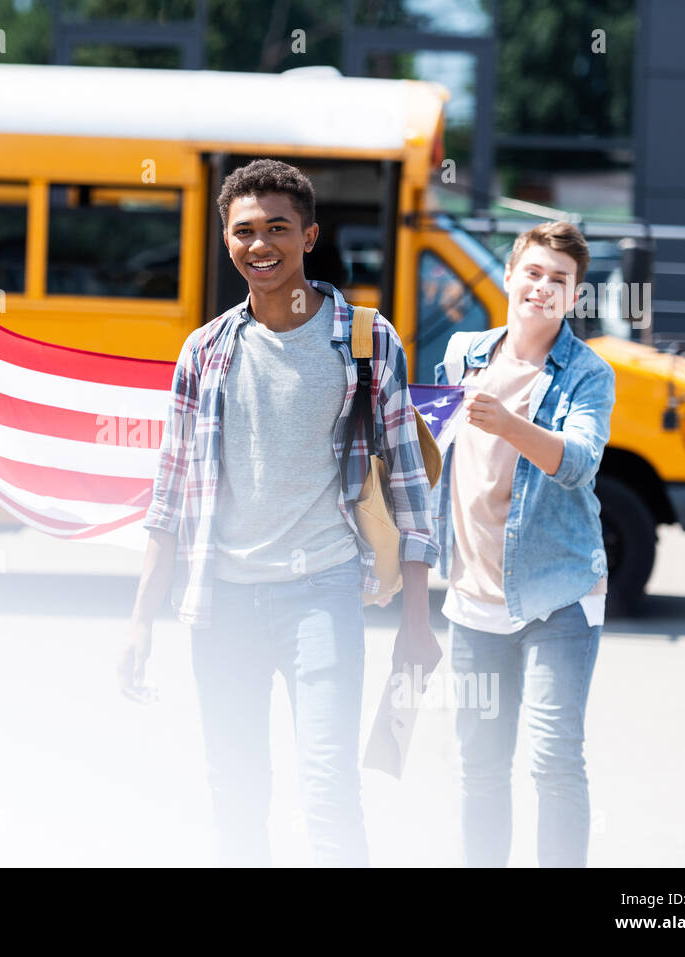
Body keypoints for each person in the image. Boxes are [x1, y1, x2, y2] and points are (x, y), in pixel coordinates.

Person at [118, 159, 439, 867]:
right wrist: (141, 618)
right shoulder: (205, 351)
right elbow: (168, 495)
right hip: (221, 602)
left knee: (327, 792)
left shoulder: (365, 340)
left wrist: (416, 622)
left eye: (277, 229)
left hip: (321, 595)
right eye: (244, 232)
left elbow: (412, 490)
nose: (260, 245)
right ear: (226, 240)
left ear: (309, 235)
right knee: (234, 790)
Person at [432, 221, 615, 868]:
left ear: (573, 297)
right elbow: (432, 456)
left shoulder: (589, 374)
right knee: (479, 765)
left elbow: (580, 462)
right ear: (509, 277)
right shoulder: (461, 355)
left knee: (553, 760)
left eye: (558, 280)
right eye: (532, 272)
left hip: (557, 594)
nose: (542, 287)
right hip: (471, 597)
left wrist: (508, 423)